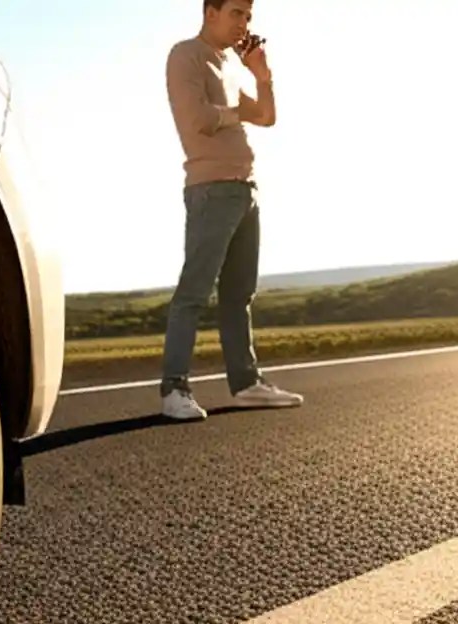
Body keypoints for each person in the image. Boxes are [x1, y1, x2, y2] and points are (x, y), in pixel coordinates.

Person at [159, 0, 304, 421]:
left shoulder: (225, 65)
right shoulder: (186, 56)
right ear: (211, 12)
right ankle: (174, 388)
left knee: (239, 295)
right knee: (194, 292)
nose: (244, 23)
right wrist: (237, 111)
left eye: (248, 16)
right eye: (237, 13)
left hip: (245, 190)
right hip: (211, 190)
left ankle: (246, 383)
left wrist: (261, 74)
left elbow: (266, 116)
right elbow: (197, 118)